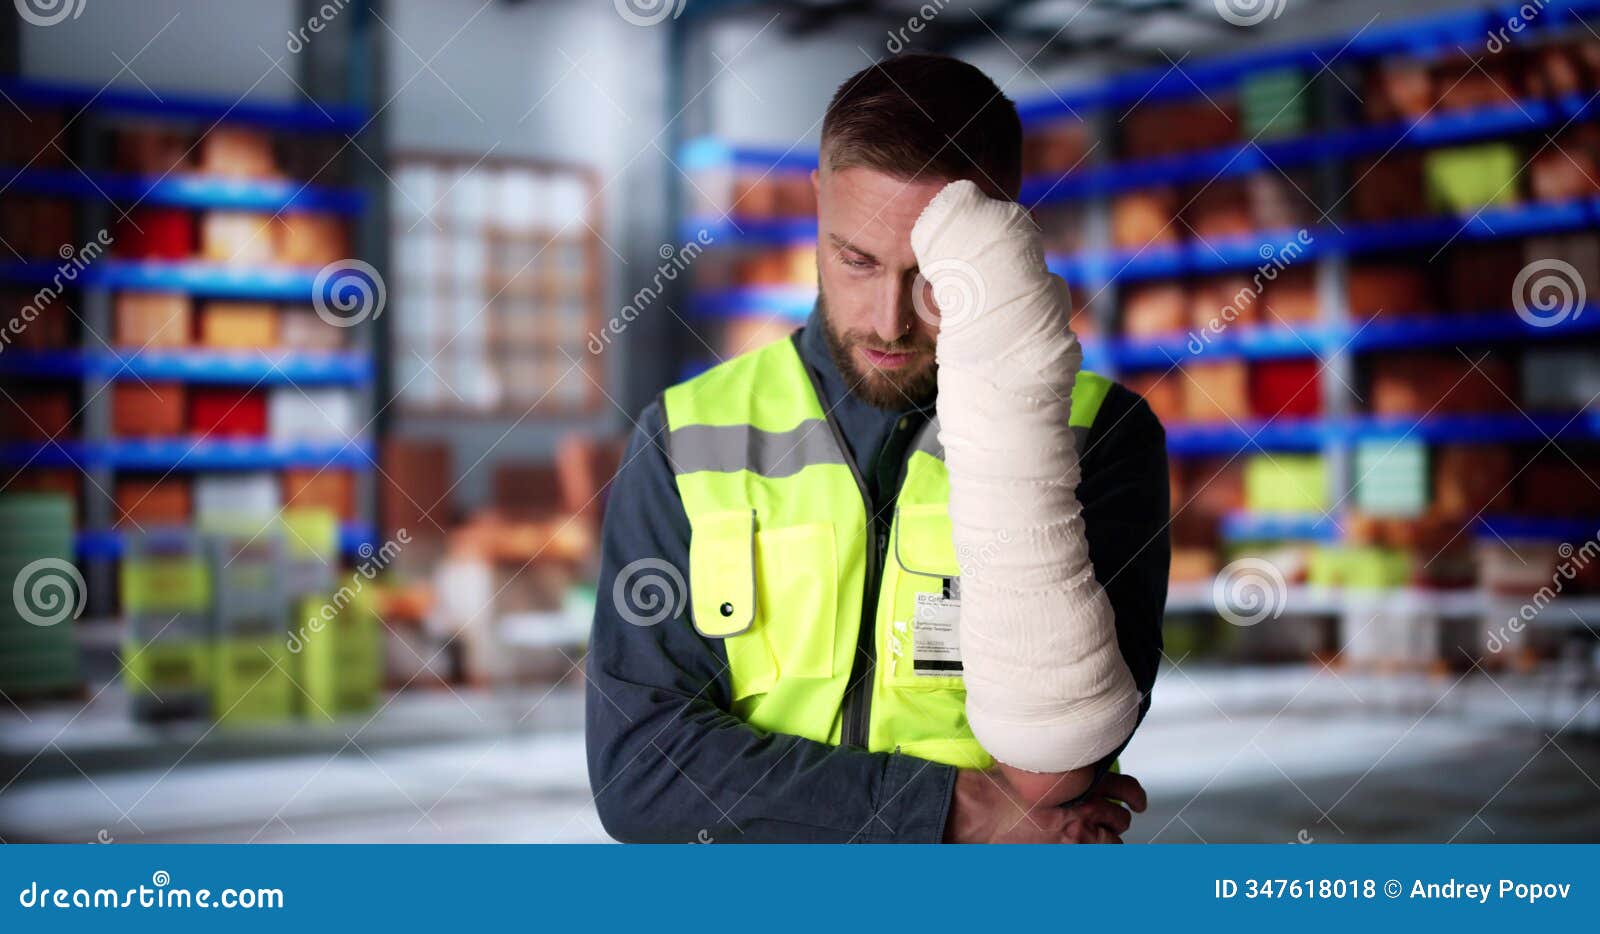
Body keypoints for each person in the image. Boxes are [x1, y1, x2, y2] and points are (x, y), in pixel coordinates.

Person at [585, 52, 1170, 843]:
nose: (889, 321)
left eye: (932, 279)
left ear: (1004, 235)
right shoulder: (684, 438)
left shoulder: (1099, 436)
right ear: (819, 202)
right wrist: (951, 811)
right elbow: (641, 773)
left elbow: (1058, 761)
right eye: (856, 259)